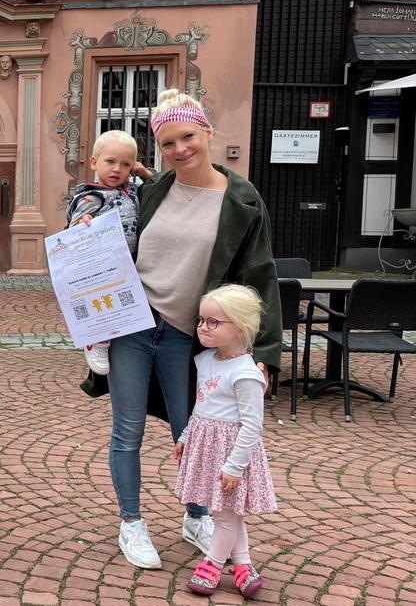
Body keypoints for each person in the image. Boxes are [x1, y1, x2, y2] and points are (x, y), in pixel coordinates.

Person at [81, 89, 281, 570]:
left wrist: (265, 351)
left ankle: (195, 515)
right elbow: (105, 210)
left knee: (192, 429)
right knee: (126, 431)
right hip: (132, 324)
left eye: (187, 136)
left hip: (185, 334)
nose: (180, 149)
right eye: (168, 143)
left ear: (207, 132)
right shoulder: (151, 191)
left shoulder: (240, 198)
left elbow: (260, 274)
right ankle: (131, 521)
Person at [175, 284, 276, 599]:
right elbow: (200, 406)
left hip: (230, 455)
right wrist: (186, 435)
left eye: (213, 322)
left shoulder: (245, 373)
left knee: (223, 515)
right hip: (207, 450)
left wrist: (235, 465)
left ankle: (213, 564)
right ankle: (244, 565)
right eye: (202, 320)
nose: (203, 328)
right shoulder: (204, 361)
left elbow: (251, 425)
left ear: (241, 327)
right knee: (230, 513)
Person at [65, 129, 143, 376]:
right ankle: (96, 342)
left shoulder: (132, 190)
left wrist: (145, 173)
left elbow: (161, 184)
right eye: (110, 161)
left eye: (126, 164)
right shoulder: (91, 195)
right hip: (102, 265)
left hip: (128, 262)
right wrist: (82, 222)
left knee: (120, 303)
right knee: (101, 305)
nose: (117, 169)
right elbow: (72, 229)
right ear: (94, 162)